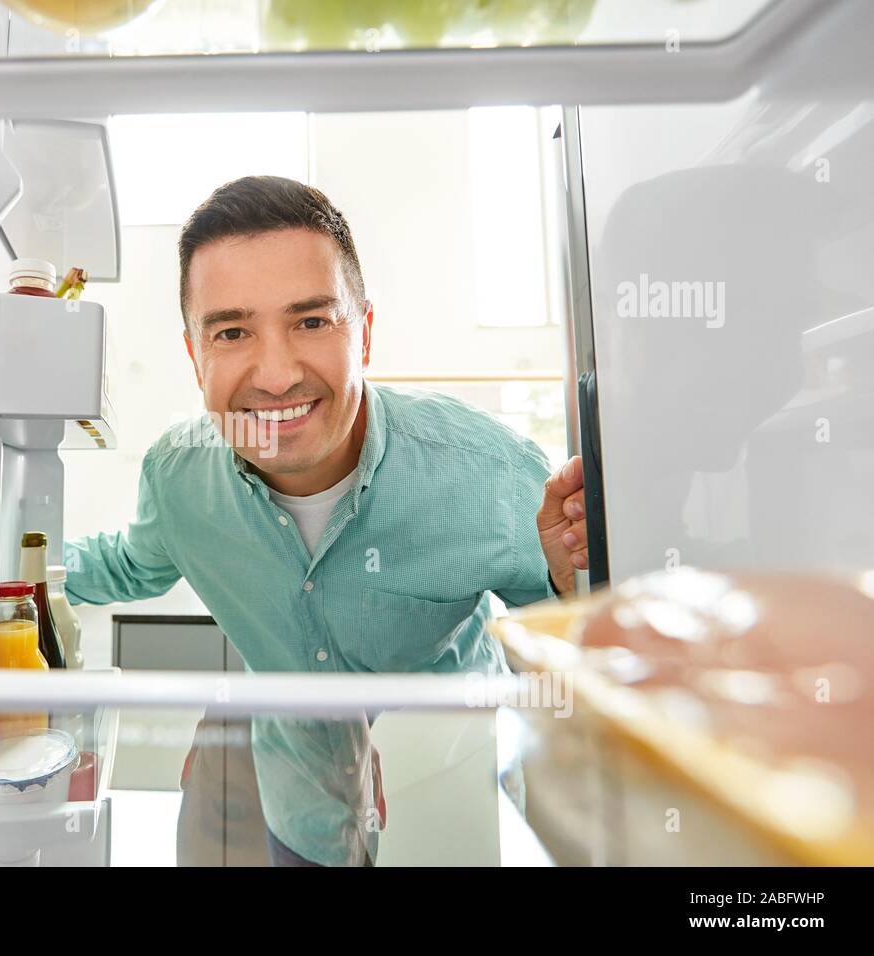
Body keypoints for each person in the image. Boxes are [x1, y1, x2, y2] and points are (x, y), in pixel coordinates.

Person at [64, 175, 588, 866]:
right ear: (196, 357)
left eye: (311, 321)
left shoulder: (489, 473)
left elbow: (572, 656)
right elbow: (127, 565)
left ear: (364, 333)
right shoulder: (180, 478)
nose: (277, 375)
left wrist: (569, 579)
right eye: (232, 331)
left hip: (444, 801)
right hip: (298, 809)